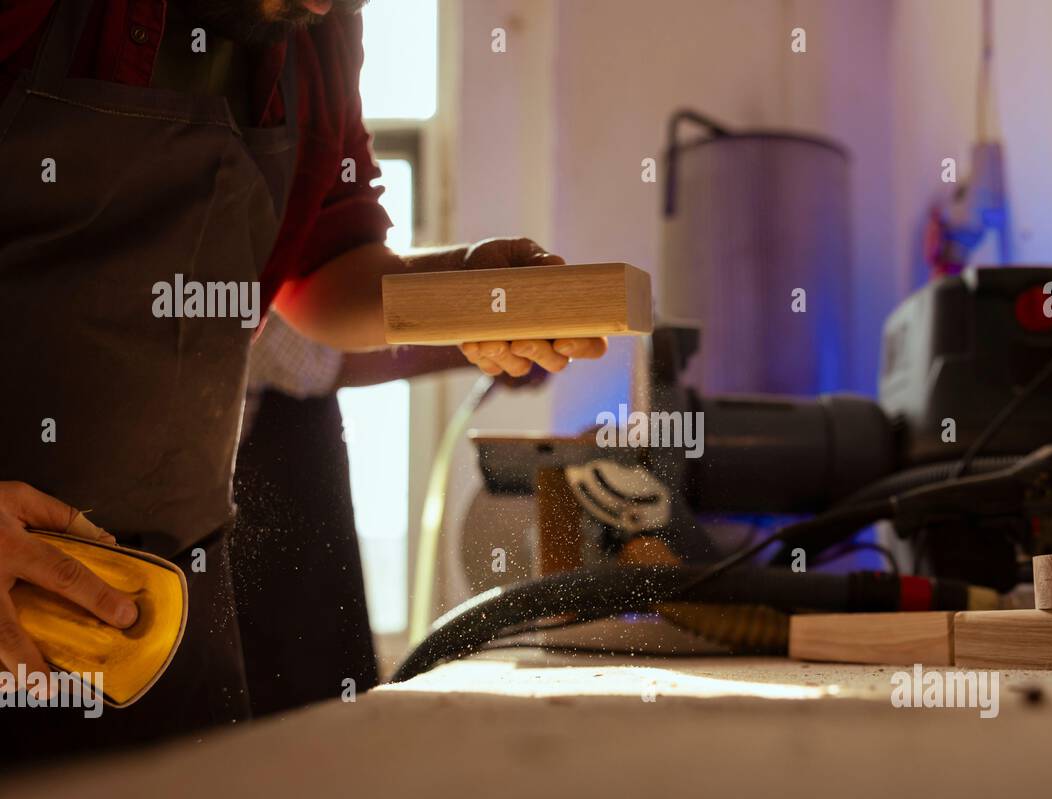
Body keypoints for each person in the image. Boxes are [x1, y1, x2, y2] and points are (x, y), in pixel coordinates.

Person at [0, 0, 604, 759]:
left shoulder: (317, 22)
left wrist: (463, 292)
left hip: (174, 602)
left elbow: (321, 265)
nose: (330, 6)